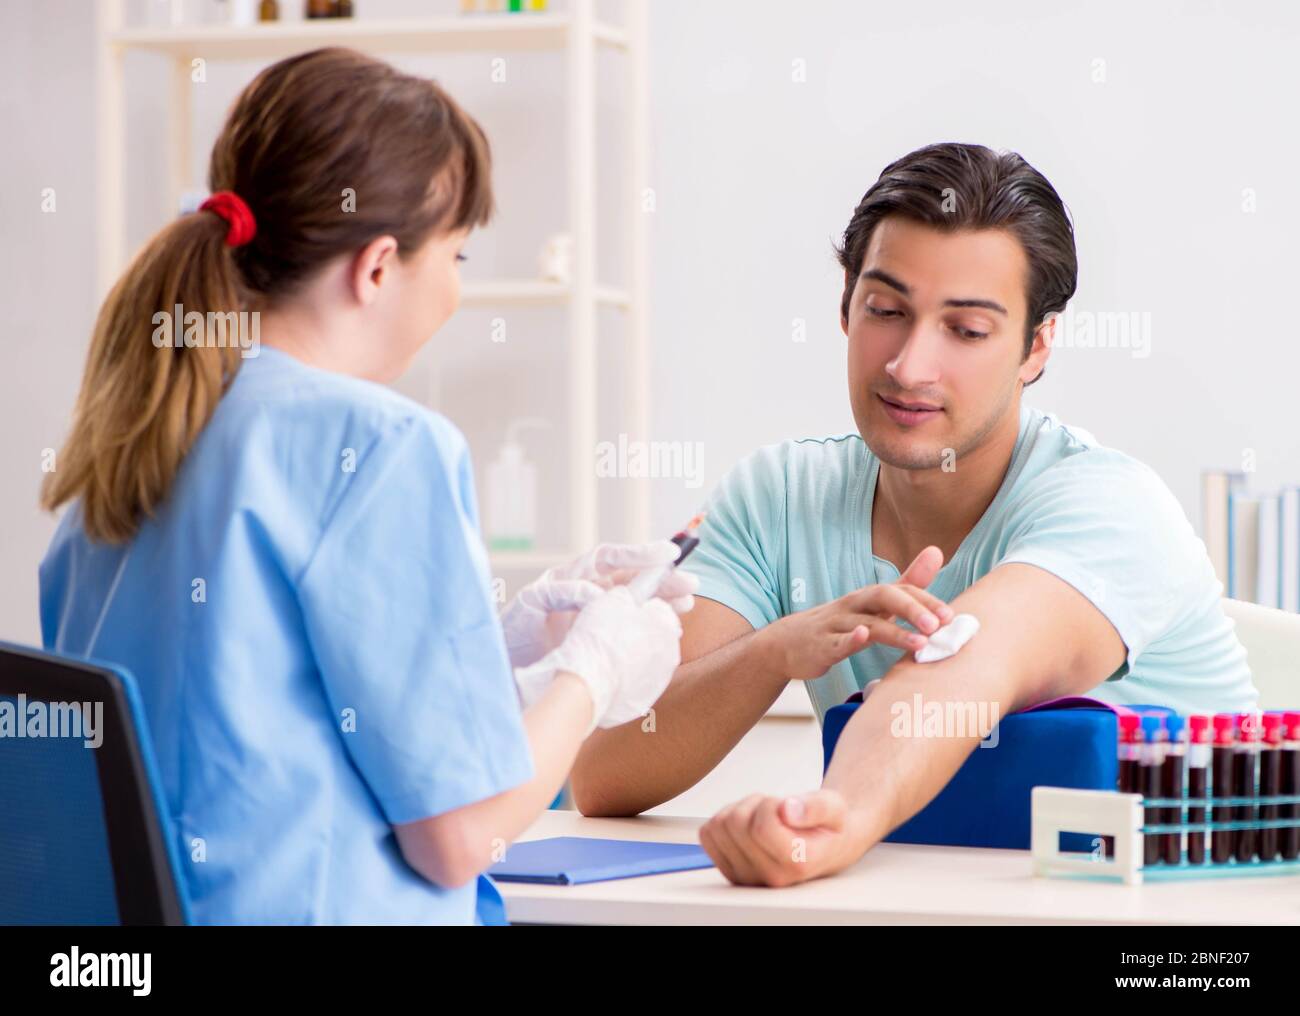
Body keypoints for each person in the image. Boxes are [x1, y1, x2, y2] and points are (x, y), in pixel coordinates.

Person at [38, 47, 694, 924]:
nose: (457, 289)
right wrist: (592, 676)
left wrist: (496, 655)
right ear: (378, 266)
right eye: (457, 256)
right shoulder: (383, 446)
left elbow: (260, 718)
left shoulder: (125, 452)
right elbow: (461, 837)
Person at [569, 142, 1259, 886]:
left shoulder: (1111, 505)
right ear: (845, 303)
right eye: (887, 310)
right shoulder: (779, 495)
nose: (908, 365)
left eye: (965, 330)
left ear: (1036, 347)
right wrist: (774, 650)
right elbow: (606, 775)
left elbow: (961, 671)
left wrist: (837, 819)